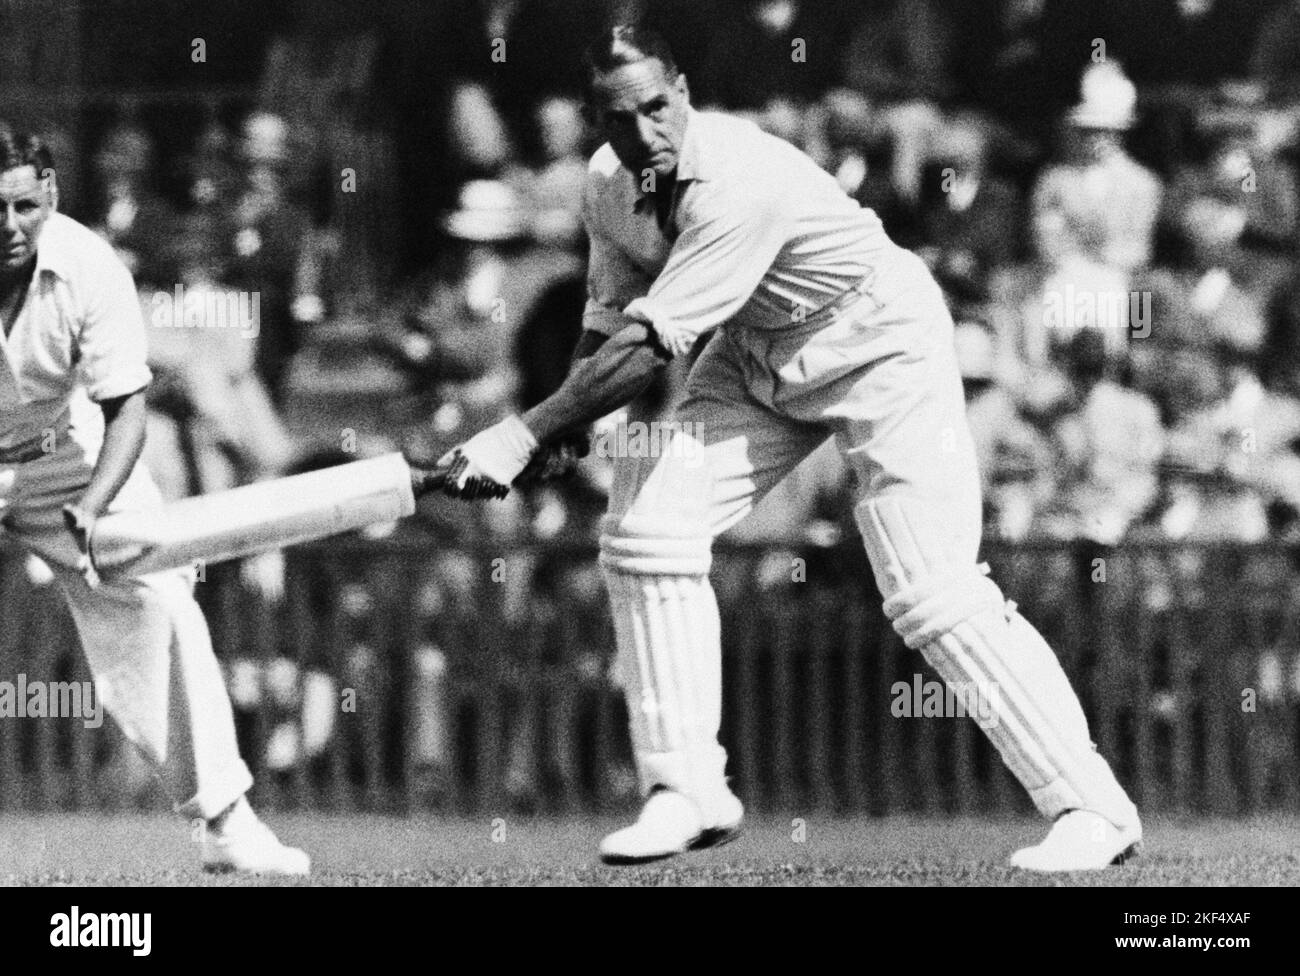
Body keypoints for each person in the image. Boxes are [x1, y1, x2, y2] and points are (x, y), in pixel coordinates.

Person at [422, 26, 1141, 871]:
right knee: (647, 528)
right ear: (593, 120)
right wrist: (564, 427)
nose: (649, 130)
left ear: (684, 91)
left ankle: (1093, 809)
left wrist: (519, 435)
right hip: (761, 351)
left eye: (661, 106)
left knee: (933, 591)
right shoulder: (606, 186)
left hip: (881, 340)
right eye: (624, 116)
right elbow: (606, 323)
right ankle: (684, 788)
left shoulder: (739, 178)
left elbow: (650, 349)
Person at [0, 122, 308, 875]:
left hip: (64, 455)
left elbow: (127, 411)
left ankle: (226, 822)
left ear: (51, 198)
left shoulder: (88, 265)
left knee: (163, 605)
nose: (9, 228)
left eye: (24, 208)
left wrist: (94, 504)